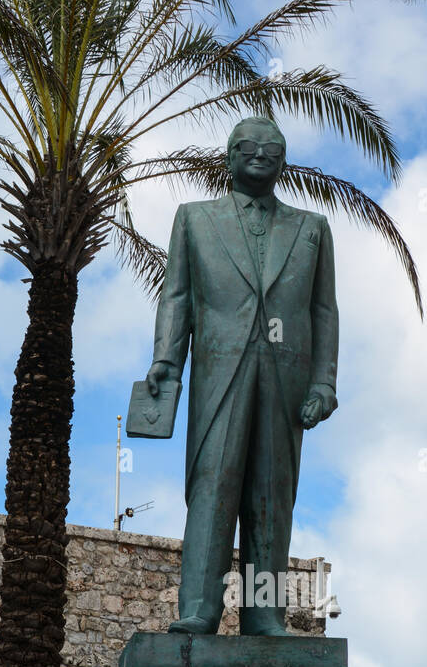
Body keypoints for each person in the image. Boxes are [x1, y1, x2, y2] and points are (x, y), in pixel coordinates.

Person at [145, 116, 338, 636]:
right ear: (228, 157)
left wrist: (324, 382)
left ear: (283, 162)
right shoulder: (194, 219)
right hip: (219, 372)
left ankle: (264, 615)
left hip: (286, 378)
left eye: (271, 149)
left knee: (272, 497)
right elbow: (177, 296)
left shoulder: (312, 228)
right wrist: (166, 359)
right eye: (248, 146)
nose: (259, 154)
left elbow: (323, 311)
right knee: (213, 487)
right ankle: (199, 609)